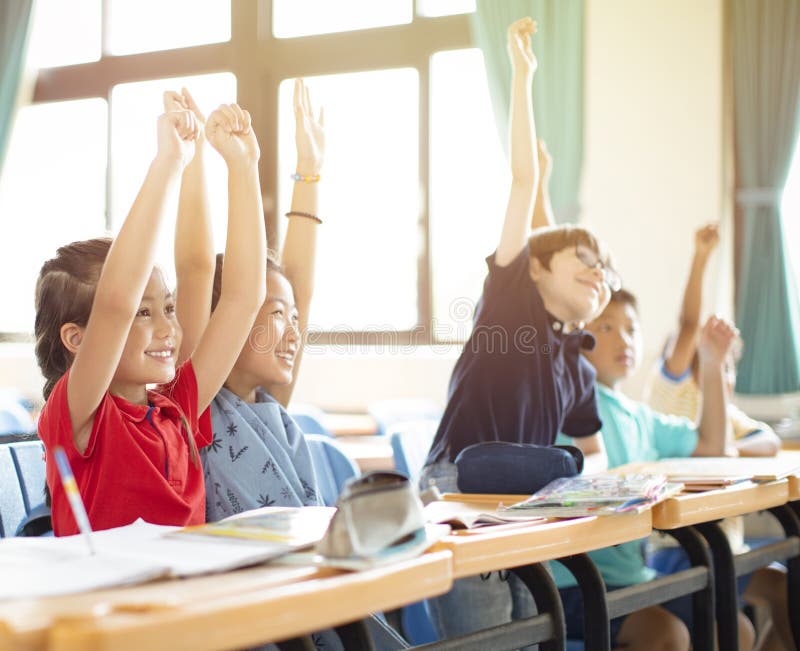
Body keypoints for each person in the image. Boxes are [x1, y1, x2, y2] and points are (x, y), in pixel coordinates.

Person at [419, 17, 615, 642]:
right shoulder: (509, 308)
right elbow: (523, 184)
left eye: (604, 269)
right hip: (459, 489)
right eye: (582, 263)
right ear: (533, 270)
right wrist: (523, 76)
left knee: (530, 634)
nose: (598, 274)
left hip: (521, 500)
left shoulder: (576, 357)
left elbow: (593, 456)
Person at [35, 103, 267, 536]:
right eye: (145, 312)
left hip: (186, 597)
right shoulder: (77, 415)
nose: (168, 329)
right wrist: (168, 165)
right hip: (108, 602)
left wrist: (243, 167)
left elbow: (243, 298)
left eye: (168, 307)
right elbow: (115, 301)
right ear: (76, 338)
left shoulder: (175, 408)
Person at [555, 290, 752, 651]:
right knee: (666, 635)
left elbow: (712, 446)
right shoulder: (566, 405)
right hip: (571, 584)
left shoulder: (639, 416)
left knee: (734, 628)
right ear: (578, 339)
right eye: (607, 327)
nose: (623, 339)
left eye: (631, 328)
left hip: (636, 579)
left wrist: (710, 363)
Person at [643, 223, 788, 651]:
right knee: (735, 630)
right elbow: (687, 326)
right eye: (711, 361)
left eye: (727, 366)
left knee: (784, 590)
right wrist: (701, 258)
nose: (720, 374)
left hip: (728, 550)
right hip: (677, 551)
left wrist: (726, 452)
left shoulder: (726, 417)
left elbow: (767, 442)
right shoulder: (672, 398)